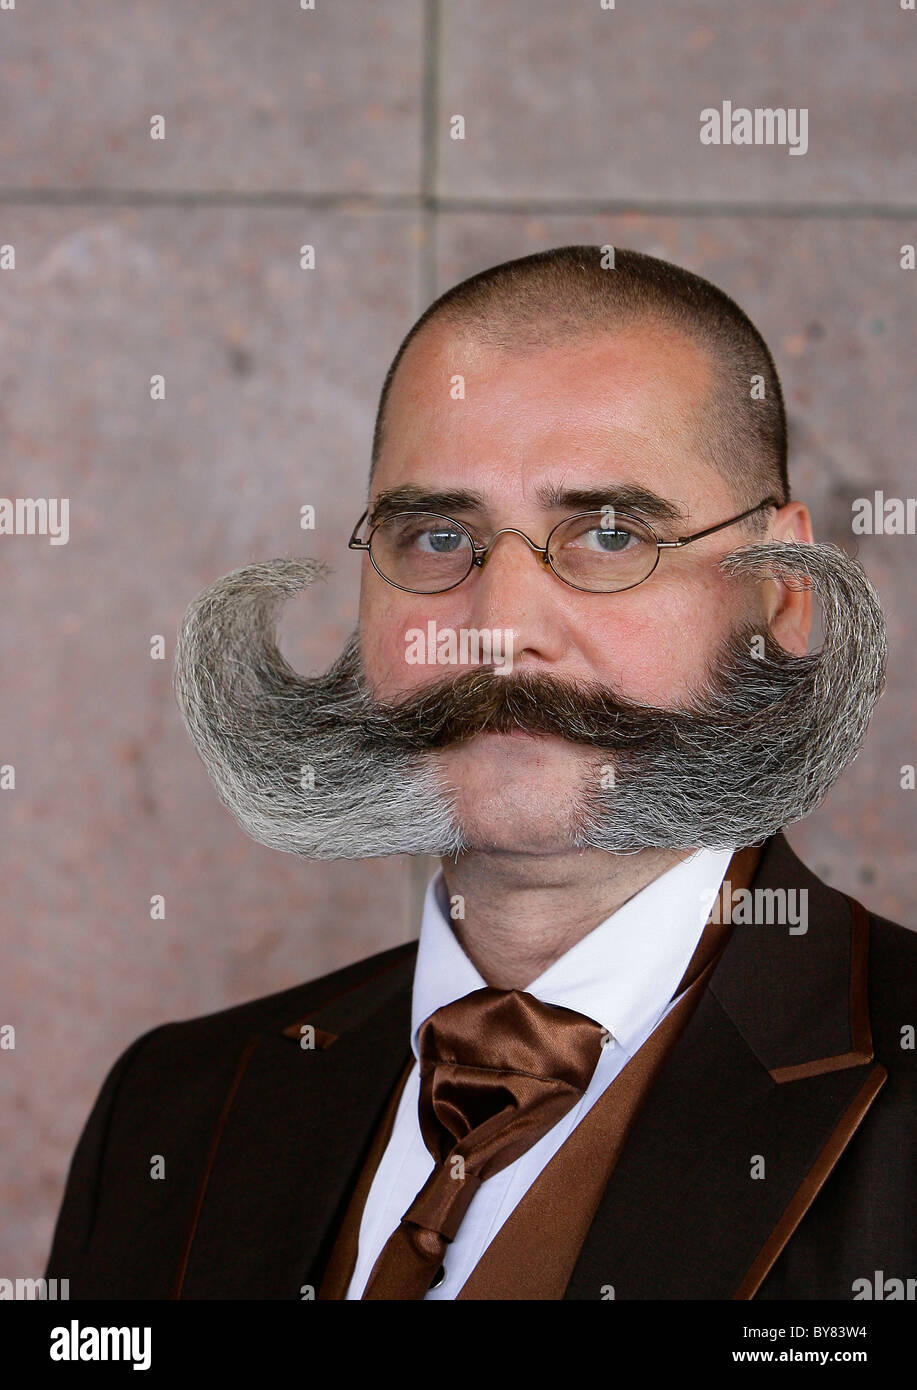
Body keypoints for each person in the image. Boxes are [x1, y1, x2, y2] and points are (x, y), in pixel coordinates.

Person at [46, 246, 915, 1300]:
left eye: (606, 533)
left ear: (779, 589)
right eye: (436, 535)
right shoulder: (172, 1106)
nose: (498, 633)